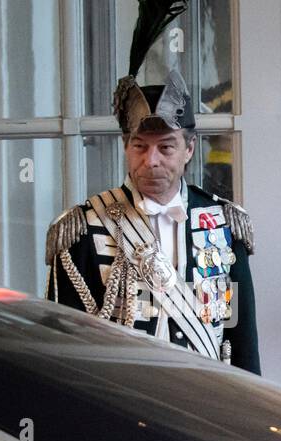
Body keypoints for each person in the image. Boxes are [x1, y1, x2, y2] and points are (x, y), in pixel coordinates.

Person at [45, 67, 260, 373]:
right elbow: (63, 351)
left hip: (205, 399)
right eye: (140, 146)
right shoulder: (82, 228)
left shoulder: (224, 223)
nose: (151, 160)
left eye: (166, 147)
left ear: (189, 149)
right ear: (125, 146)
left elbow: (241, 341)